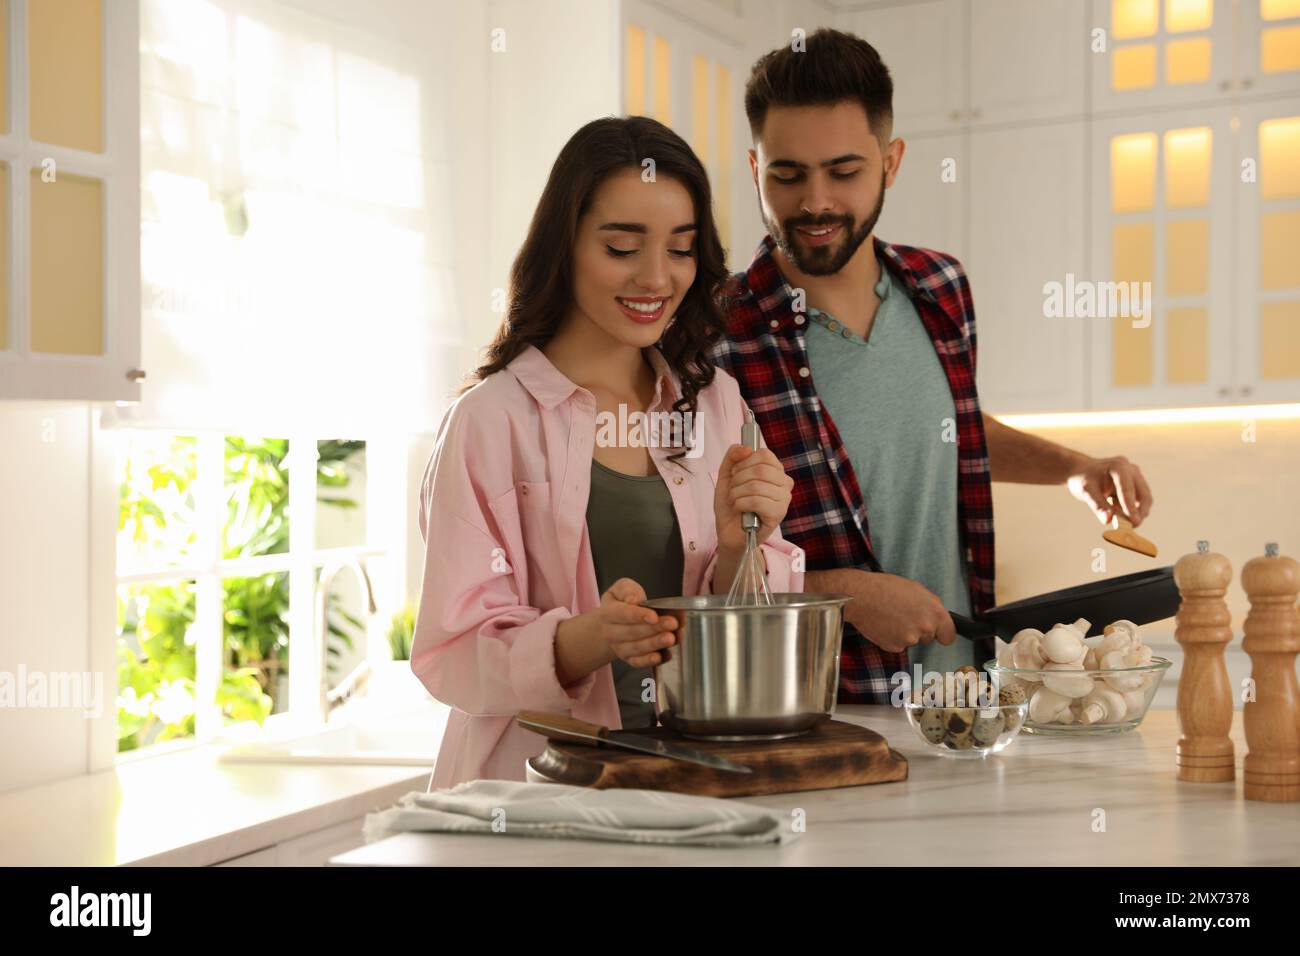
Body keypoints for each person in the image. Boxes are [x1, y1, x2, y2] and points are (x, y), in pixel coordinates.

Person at [714, 28, 1154, 701]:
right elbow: (693, 558)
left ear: (891, 162)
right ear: (754, 169)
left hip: (964, 696)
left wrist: (1075, 469)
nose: (816, 202)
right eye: (788, 173)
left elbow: (952, 429)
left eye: (844, 170)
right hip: (818, 707)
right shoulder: (719, 333)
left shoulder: (940, 286)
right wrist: (842, 596)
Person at [412, 116, 804, 787]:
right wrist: (587, 640)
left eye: (680, 250)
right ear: (564, 245)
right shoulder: (491, 421)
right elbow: (452, 651)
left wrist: (745, 545)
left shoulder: (716, 404)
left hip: (691, 781)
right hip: (533, 788)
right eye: (622, 248)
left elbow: (755, 638)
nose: (656, 278)